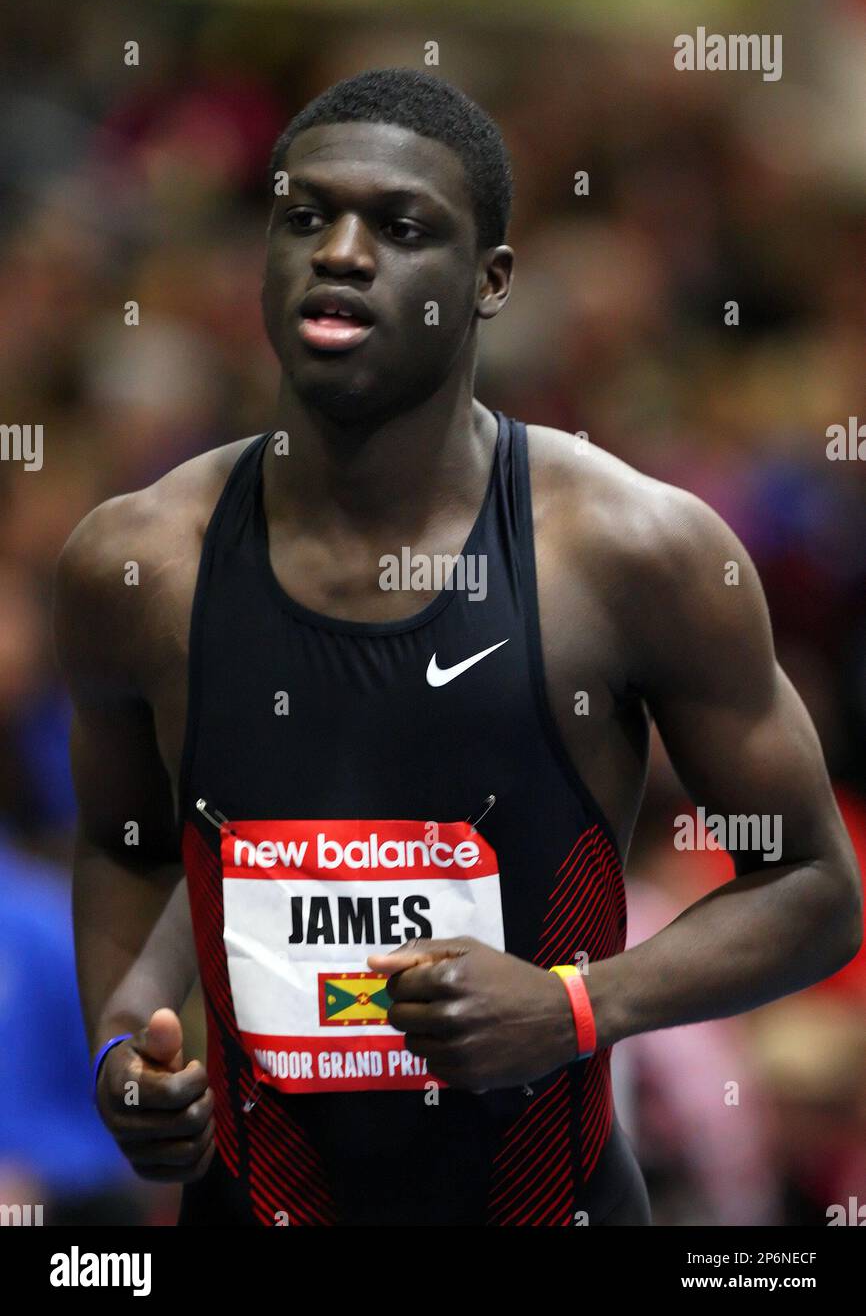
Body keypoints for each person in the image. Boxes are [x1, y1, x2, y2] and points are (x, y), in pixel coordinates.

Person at [54, 68, 862, 1227]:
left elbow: (815, 888)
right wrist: (125, 1042)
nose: (339, 250)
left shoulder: (633, 552)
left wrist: (577, 1007)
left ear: (487, 283)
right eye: (303, 216)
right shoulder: (133, 563)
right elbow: (123, 844)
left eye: (398, 226)